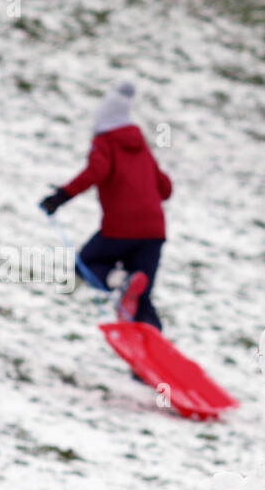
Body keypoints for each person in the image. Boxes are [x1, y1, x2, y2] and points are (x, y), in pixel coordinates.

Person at [39, 81, 172, 331]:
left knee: (85, 265)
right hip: (154, 231)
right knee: (141, 296)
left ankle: (119, 280)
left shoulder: (105, 142)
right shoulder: (141, 145)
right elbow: (165, 189)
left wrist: (60, 197)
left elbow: (95, 172)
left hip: (120, 228)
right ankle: (153, 354)